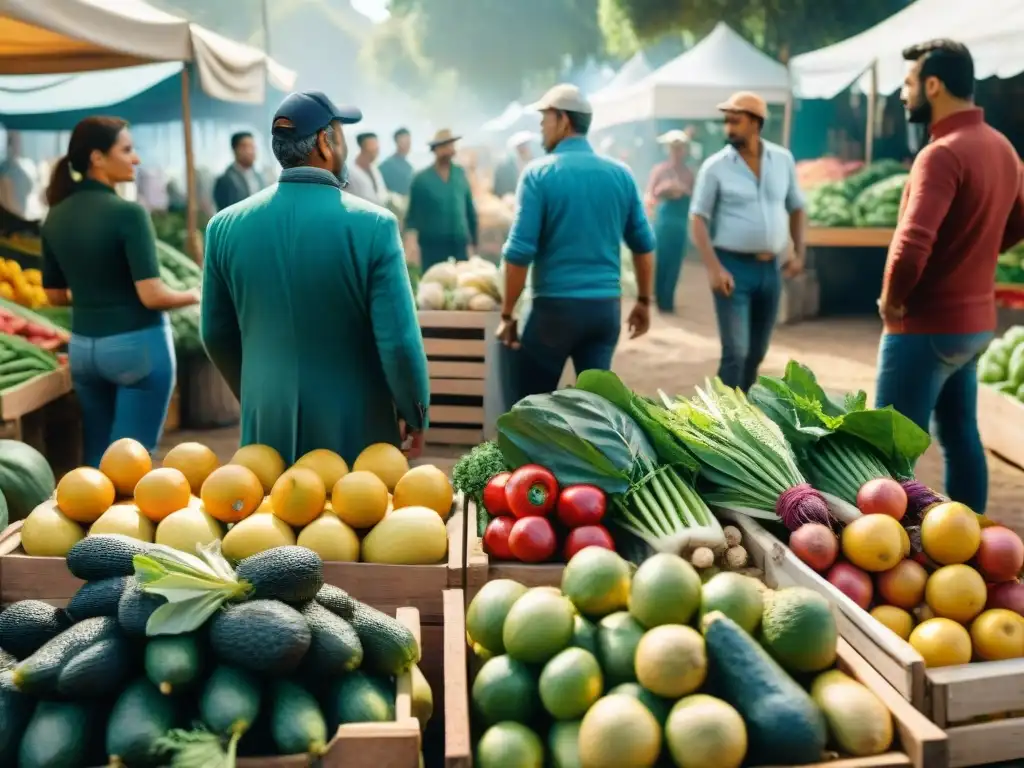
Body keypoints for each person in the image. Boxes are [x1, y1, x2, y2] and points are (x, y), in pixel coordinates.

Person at [200, 91, 430, 465]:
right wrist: (414, 410)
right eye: (341, 134)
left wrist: (257, 390)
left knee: (265, 517)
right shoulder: (374, 225)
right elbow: (399, 343)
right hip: (356, 425)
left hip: (265, 426)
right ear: (325, 142)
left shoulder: (223, 227)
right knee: (353, 516)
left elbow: (215, 332)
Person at [875, 40, 1024, 513]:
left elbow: (912, 241)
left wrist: (891, 300)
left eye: (909, 83)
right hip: (975, 327)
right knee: (961, 436)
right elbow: (1019, 220)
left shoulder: (941, 153)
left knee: (886, 453)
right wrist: (976, 254)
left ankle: (888, 558)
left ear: (933, 85)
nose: (903, 94)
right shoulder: (1002, 147)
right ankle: (969, 536)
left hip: (925, 326)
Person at [40, 117, 198, 466]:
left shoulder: (55, 215)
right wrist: (197, 294)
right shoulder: (128, 214)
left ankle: (90, 522)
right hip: (137, 349)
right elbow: (152, 296)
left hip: (83, 351)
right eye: (127, 150)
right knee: (130, 466)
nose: (136, 159)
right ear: (97, 157)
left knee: (97, 462)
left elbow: (54, 296)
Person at [498, 84, 656, 399]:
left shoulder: (538, 174)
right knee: (594, 408)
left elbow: (519, 253)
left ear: (564, 120)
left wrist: (507, 313)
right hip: (604, 312)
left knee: (532, 409)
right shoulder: (621, 174)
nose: (541, 128)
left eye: (545, 120)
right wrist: (643, 301)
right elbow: (644, 244)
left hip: (554, 312)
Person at [690, 91, 806, 392]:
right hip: (732, 268)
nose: (728, 128)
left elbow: (797, 206)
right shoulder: (715, 167)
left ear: (756, 123)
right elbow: (698, 218)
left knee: (756, 353)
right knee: (735, 353)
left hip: (771, 270)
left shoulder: (782, 160)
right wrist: (714, 269)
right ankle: (721, 422)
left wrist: (799, 253)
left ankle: (744, 414)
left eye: (735, 121)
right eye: (726, 121)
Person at [404, 129, 478, 272]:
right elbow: (412, 216)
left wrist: (474, 241)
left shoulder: (460, 173)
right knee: (435, 285)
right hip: (432, 244)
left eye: (451, 145)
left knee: (461, 283)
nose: (449, 150)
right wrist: (411, 245)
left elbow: (469, 209)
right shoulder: (421, 179)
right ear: (435, 150)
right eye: (444, 146)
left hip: (459, 242)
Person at [646, 130, 695, 313]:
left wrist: (682, 191)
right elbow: (650, 194)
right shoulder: (659, 171)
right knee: (661, 261)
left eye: (680, 148)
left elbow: (694, 198)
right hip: (663, 221)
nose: (677, 152)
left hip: (680, 222)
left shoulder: (689, 173)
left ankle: (668, 300)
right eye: (673, 148)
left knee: (675, 262)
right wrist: (665, 190)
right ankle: (659, 298)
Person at [213, 131, 264, 211]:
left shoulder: (259, 177)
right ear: (235, 149)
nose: (251, 151)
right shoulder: (226, 180)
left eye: (252, 147)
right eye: (245, 147)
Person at [345, 132, 388, 206]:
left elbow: (382, 194)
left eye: (377, 148)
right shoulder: (349, 172)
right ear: (363, 148)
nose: (376, 150)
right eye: (373, 147)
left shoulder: (375, 170)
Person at [493, 131, 536, 198]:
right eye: (521, 146)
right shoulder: (506, 166)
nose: (524, 148)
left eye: (525, 145)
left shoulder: (534, 163)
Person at [0, 132, 33, 219]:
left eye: (18, 142)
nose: (18, 146)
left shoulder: (23, 167)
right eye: (14, 142)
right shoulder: (5, 170)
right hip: (12, 218)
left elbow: (28, 187)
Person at [379, 128, 414, 196]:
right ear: (397, 142)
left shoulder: (409, 167)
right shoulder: (386, 166)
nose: (408, 146)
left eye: (409, 142)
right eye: (404, 142)